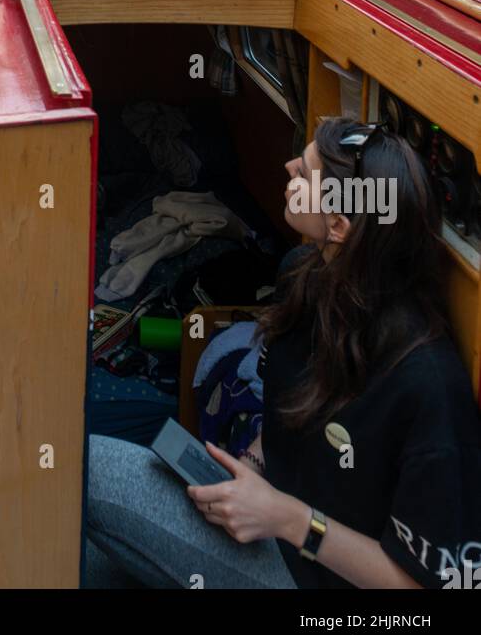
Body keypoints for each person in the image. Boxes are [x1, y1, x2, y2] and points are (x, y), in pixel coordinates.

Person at [86, 116, 481, 589]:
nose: (289, 164)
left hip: (314, 573)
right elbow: (291, 413)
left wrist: (290, 519)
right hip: (274, 519)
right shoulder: (306, 277)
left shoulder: (428, 385)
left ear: (338, 224)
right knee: (94, 558)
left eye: (306, 172)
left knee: (84, 467)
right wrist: (249, 465)